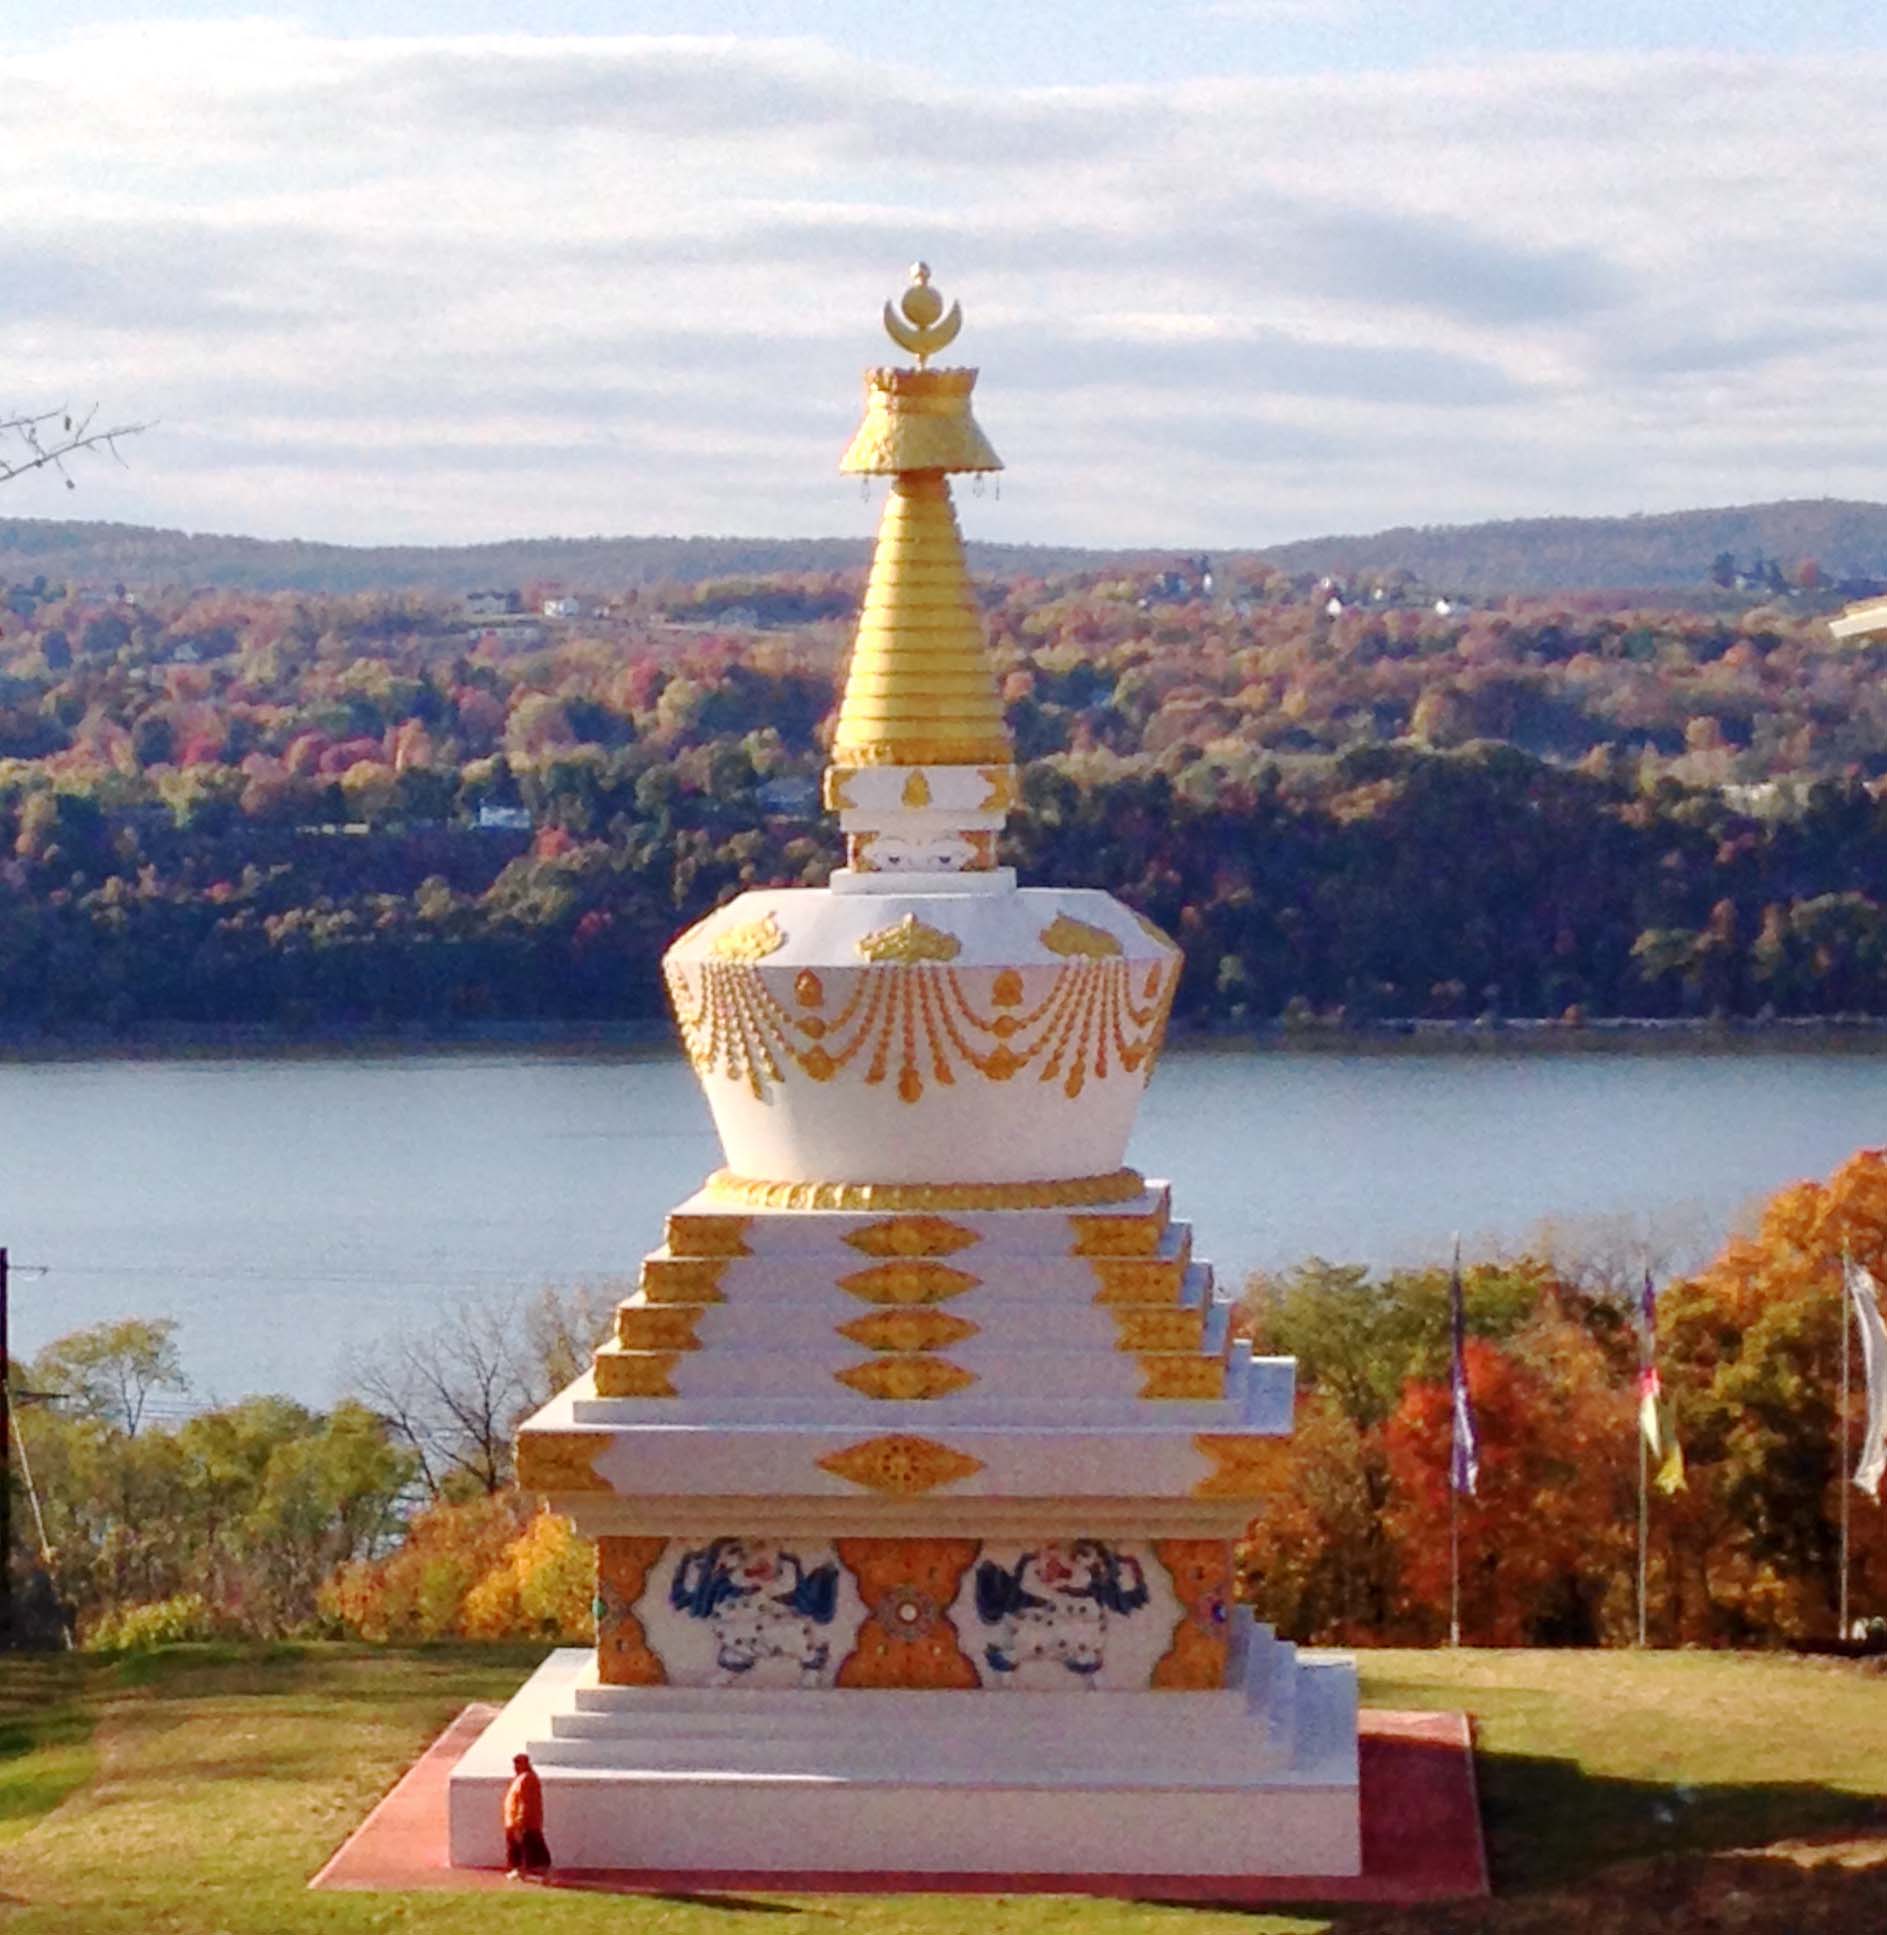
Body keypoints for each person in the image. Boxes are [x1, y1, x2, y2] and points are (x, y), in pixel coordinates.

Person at [502, 1752, 551, 1880]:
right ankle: (522, 1870)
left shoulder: (526, 1779)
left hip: (524, 1823)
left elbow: (526, 1802)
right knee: (521, 1848)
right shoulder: (522, 1779)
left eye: (518, 1763)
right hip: (518, 1822)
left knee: (530, 1847)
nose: (515, 1767)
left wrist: (520, 1821)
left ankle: (536, 1872)